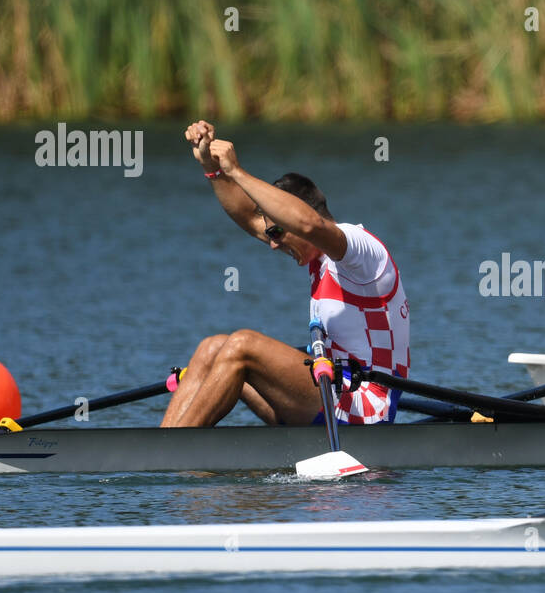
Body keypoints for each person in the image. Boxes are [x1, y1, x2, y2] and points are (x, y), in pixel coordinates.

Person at [161, 121, 409, 428]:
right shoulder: (317, 256)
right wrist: (212, 168)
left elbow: (310, 226)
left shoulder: (359, 249)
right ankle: (161, 451)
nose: (273, 243)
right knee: (213, 347)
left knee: (242, 344)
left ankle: (175, 450)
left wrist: (238, 172)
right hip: (332, 391)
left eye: (278, 232)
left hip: (367, 405)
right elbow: (249, 217)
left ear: (301, 213)